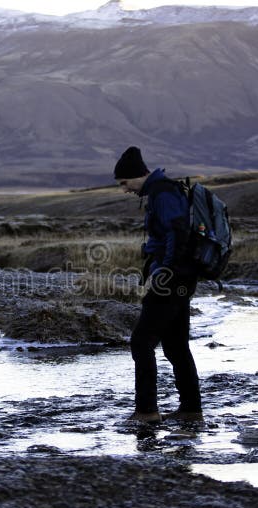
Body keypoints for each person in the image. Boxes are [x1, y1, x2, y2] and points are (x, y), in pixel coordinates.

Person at [114, 146, 202, 423]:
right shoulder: (162, 191)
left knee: (141, 343)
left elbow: (177, 233)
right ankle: (190, 411)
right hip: (181, 277)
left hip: (170, 279)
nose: (124, 190)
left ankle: (146, 412)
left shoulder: (163, 193)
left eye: (125, 183)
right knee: (176, 347)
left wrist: (164, 272)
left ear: (137, 176)